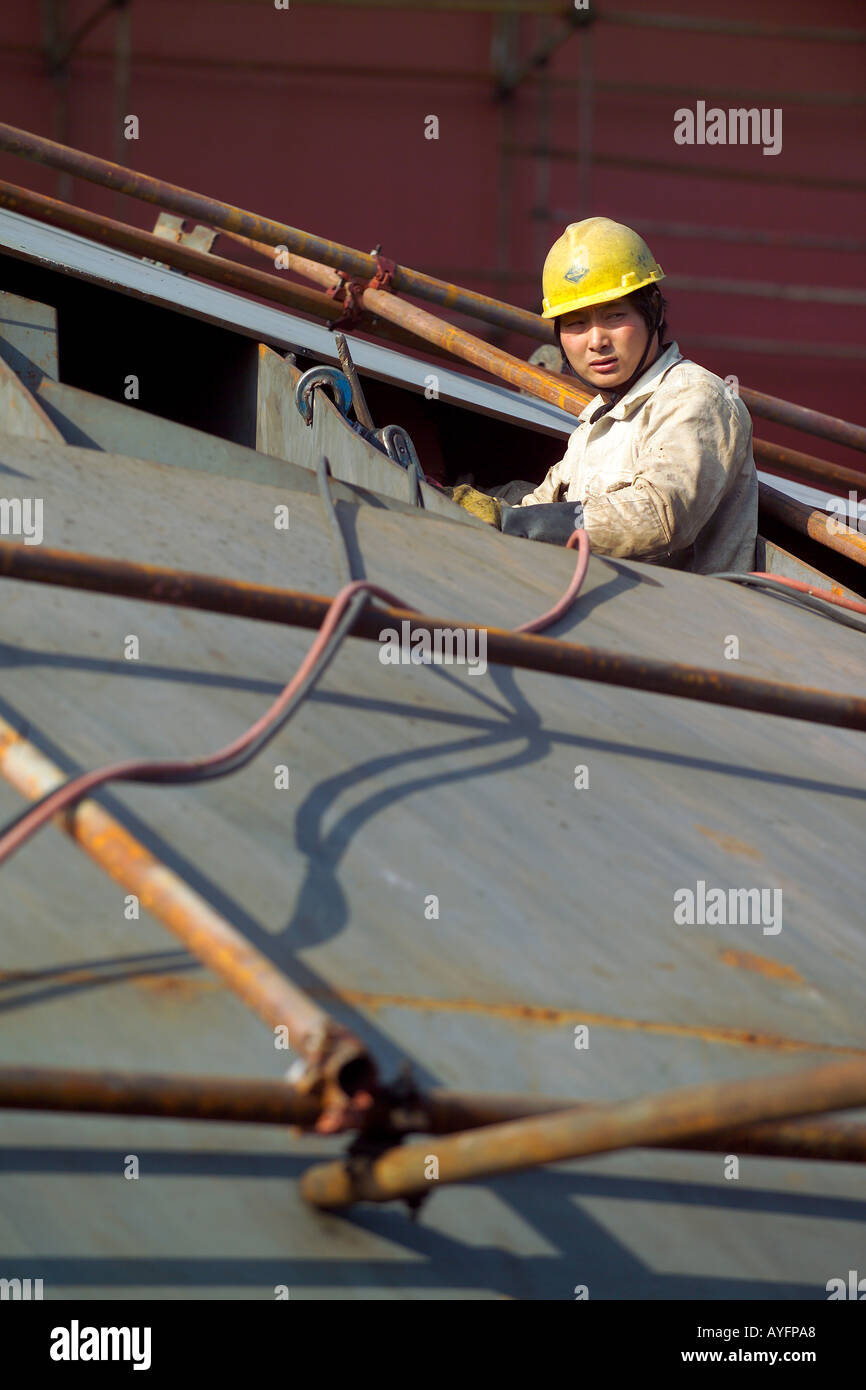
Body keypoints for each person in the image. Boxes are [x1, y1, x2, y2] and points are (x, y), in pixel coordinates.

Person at [453, 218, 758, 573]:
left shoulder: (695, 396)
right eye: (576, 324)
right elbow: (536, 509)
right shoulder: (595, 422)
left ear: (654, 311)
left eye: (614, 316)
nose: (596, 341)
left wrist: (513, 523)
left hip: (683, 621)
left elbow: (661, 517)